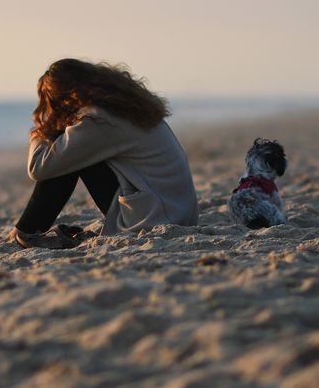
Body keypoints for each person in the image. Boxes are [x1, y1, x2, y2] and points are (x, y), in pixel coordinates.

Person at [10, 58, 198, 249]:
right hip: (177, 210)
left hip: (156, 217)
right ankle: (28, 228)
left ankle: (26, 230)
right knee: (69, 151)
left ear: (63, 98)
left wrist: (42, 130)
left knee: (64, 158)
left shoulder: (98, 120)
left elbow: (39, 167)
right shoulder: (124, 105)